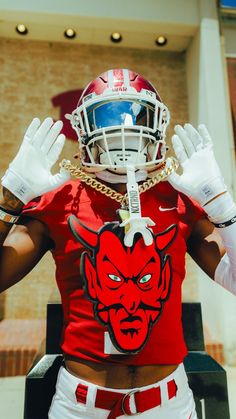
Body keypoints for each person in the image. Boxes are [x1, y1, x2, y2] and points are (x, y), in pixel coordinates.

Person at [0, 68, 236, 419]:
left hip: (167, 403)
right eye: (108, 116)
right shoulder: (60, 197)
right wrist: (9, 196)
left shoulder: (179, 195)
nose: (124, 128)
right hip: (80, 406)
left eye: (136, 115)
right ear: (83, 128)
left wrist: (222, 205)